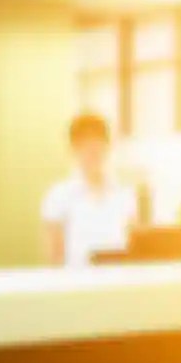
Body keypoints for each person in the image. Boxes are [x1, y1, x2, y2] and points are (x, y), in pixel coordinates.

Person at [41, 113, 138, 266]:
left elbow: (135, 250)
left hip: (119, 277)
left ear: (108, 146)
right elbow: (55, 258)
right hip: (76, 279)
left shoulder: (125, 194)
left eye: (98, 142)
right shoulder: (58, 196)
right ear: (73, 149)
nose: (92, 150)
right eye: (85, 144)